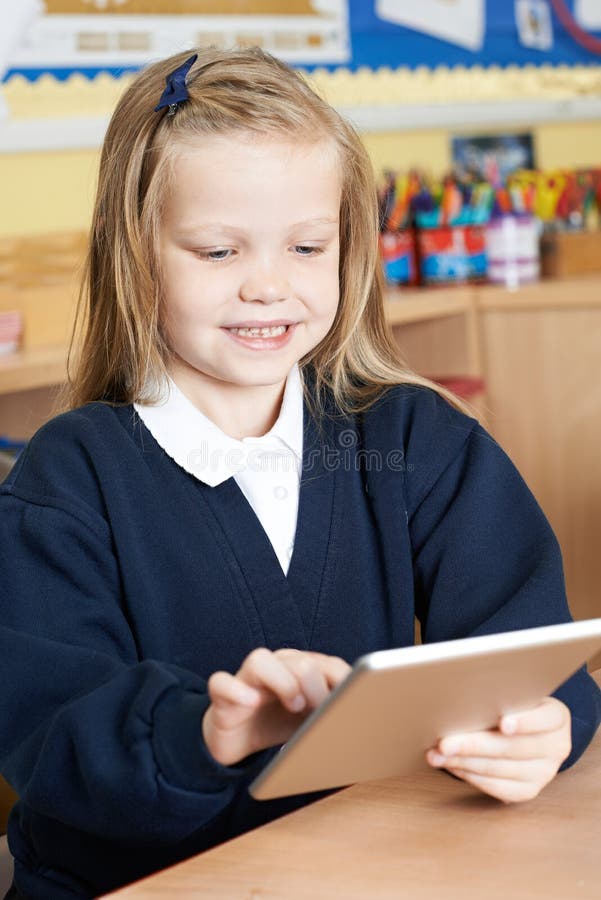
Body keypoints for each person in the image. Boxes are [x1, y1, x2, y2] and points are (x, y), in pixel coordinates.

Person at [0, 47, 599, 900]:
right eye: (217, 252)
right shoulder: (71, 479)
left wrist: (545, 725)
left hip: (366, 867)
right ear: (136, 257)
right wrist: (205, 733)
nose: (269, 287)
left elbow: (527, 654)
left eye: (308, 245)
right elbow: (51, 738)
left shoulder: (411, 438)